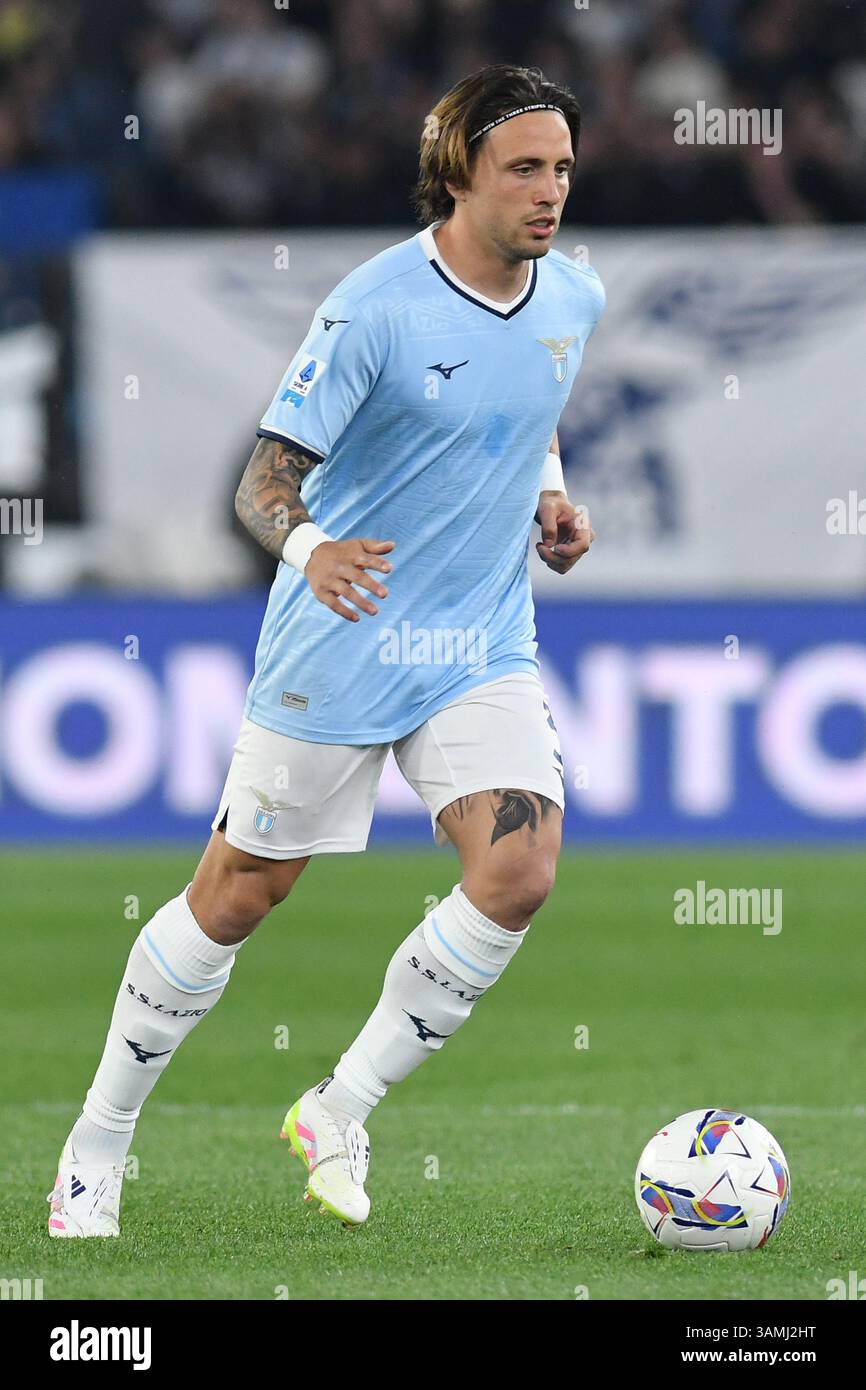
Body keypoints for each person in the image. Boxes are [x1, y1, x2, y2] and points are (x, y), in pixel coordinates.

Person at [47, 62, 605, 1236]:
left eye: (560, 166)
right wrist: (316, 555)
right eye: (524, 168)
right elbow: (262, 486)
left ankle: (339, 1105)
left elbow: (527, 400)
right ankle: (96, 1142)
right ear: (457, 174)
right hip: (343, 634)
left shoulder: (572, 293)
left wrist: (550, 494)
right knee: (242, 893)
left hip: (479, 641)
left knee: (518, 871)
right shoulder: (371, 308)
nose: (549, 191)